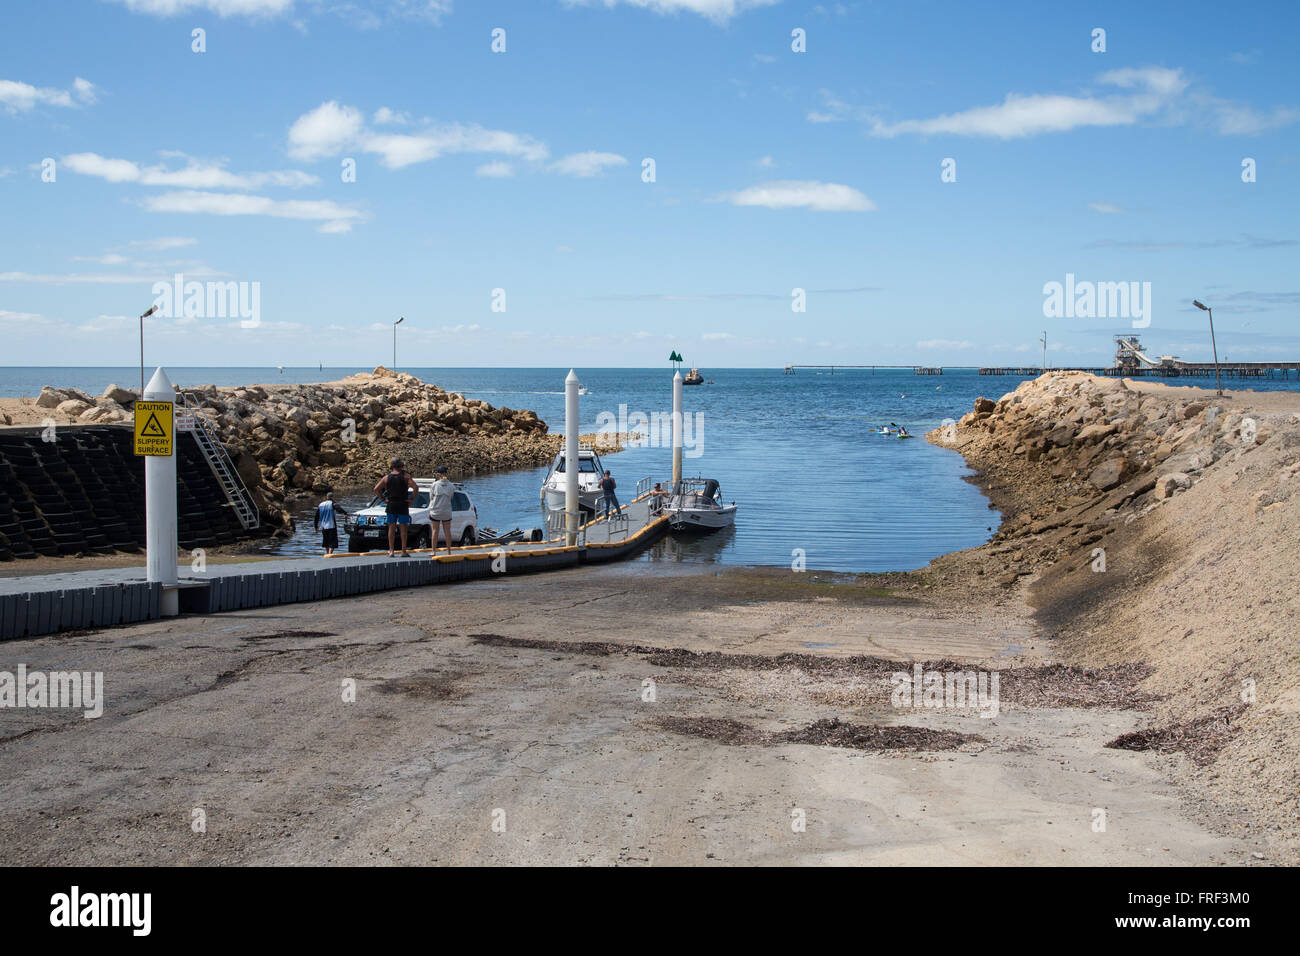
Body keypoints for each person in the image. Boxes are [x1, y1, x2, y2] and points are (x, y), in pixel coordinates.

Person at [373, 458, 417, 557]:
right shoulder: (406, 477)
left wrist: (383, 499)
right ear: (401, 466)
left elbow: (376, 489)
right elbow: (415, 487)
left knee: (391, 528)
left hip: (391, 504)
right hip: (402, 504)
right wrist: (412, 499)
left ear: (392, 466)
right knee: (403, 528)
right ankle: (403, 551)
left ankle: (391, 550)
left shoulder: (386, 478)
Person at [428, 465, 455, 557]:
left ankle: (433, 551)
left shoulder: (434, 485)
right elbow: (451, 497)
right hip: (446, 511)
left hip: (436, 511)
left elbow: (431, 498)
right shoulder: (451, 485)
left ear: (437, 474)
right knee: (447, 531)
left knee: (435, 530)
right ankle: (448, 551)